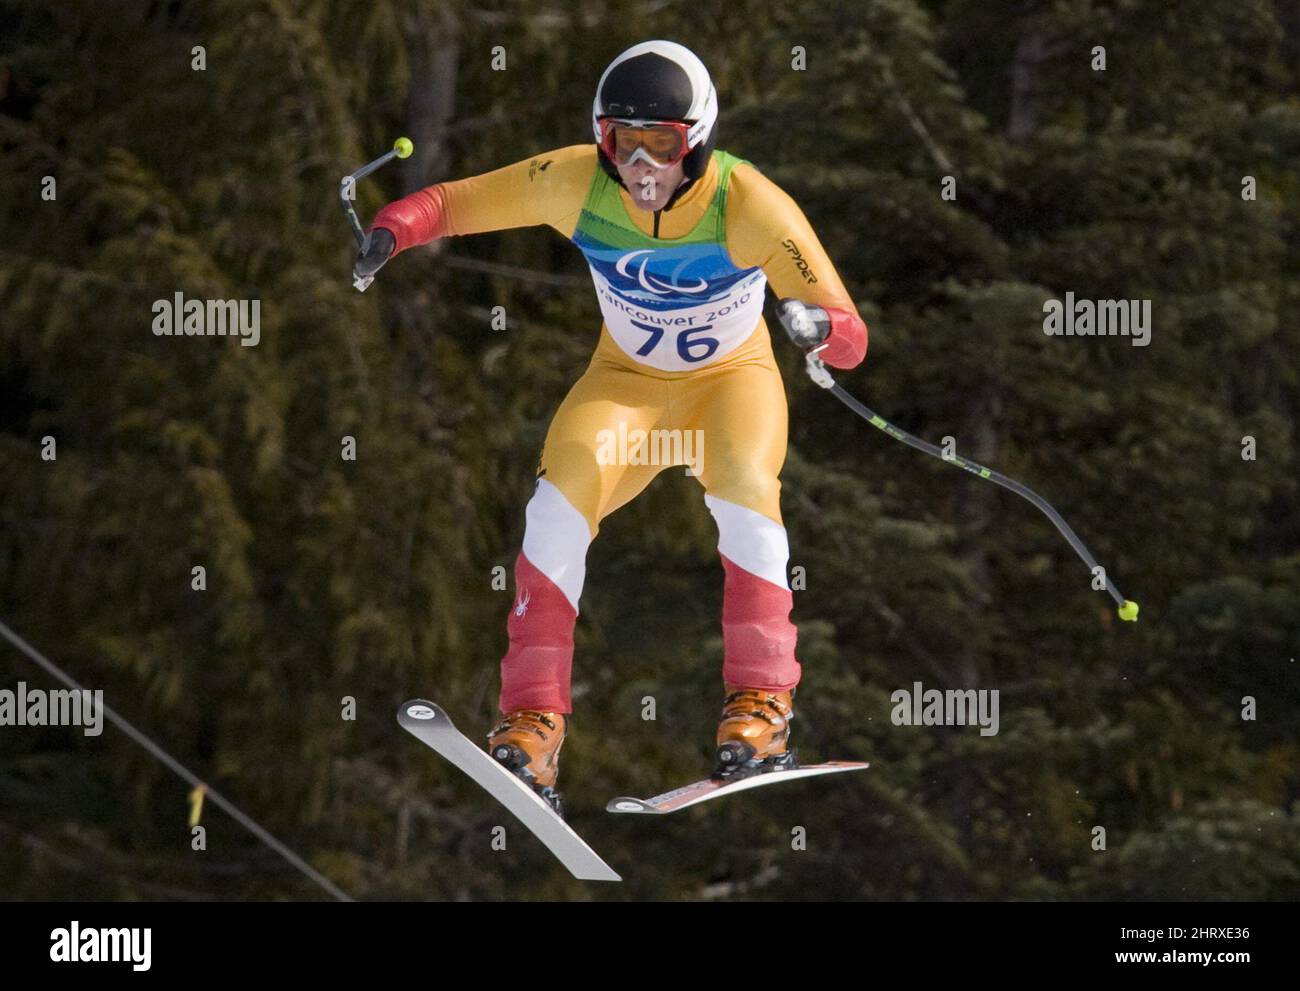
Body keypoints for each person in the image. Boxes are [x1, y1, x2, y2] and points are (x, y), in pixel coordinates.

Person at [357, 40, 867, 815]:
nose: (639, 165)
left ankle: (761, 709)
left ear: (696, 140)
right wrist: (391, 228)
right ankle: (533, 724)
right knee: (556, 502)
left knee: (742, 485)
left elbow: (851, 334)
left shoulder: (750, 204)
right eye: (622, 142)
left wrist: (814, 325)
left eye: (661, 144)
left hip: (731, 387)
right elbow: (456, 204)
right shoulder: (574, 182)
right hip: (625, 388)